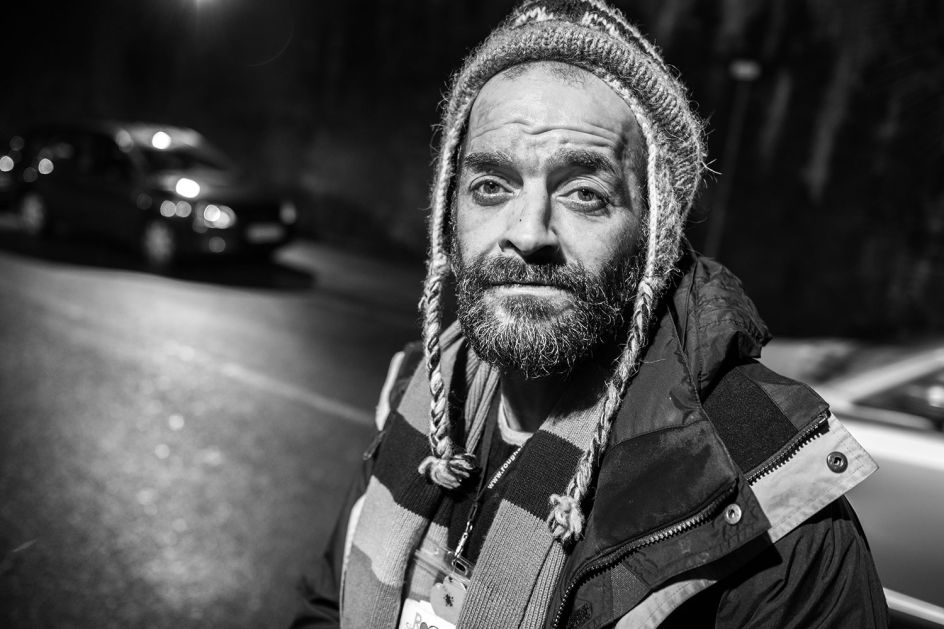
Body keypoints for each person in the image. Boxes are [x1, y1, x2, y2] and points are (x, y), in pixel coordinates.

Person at [293, 1, 888, 627]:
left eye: (585, 193)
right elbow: (324, 605)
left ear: (653, 237)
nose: (528, 233)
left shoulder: (759, 498)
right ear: (450, 210)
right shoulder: (419, 391)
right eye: (491, 186)